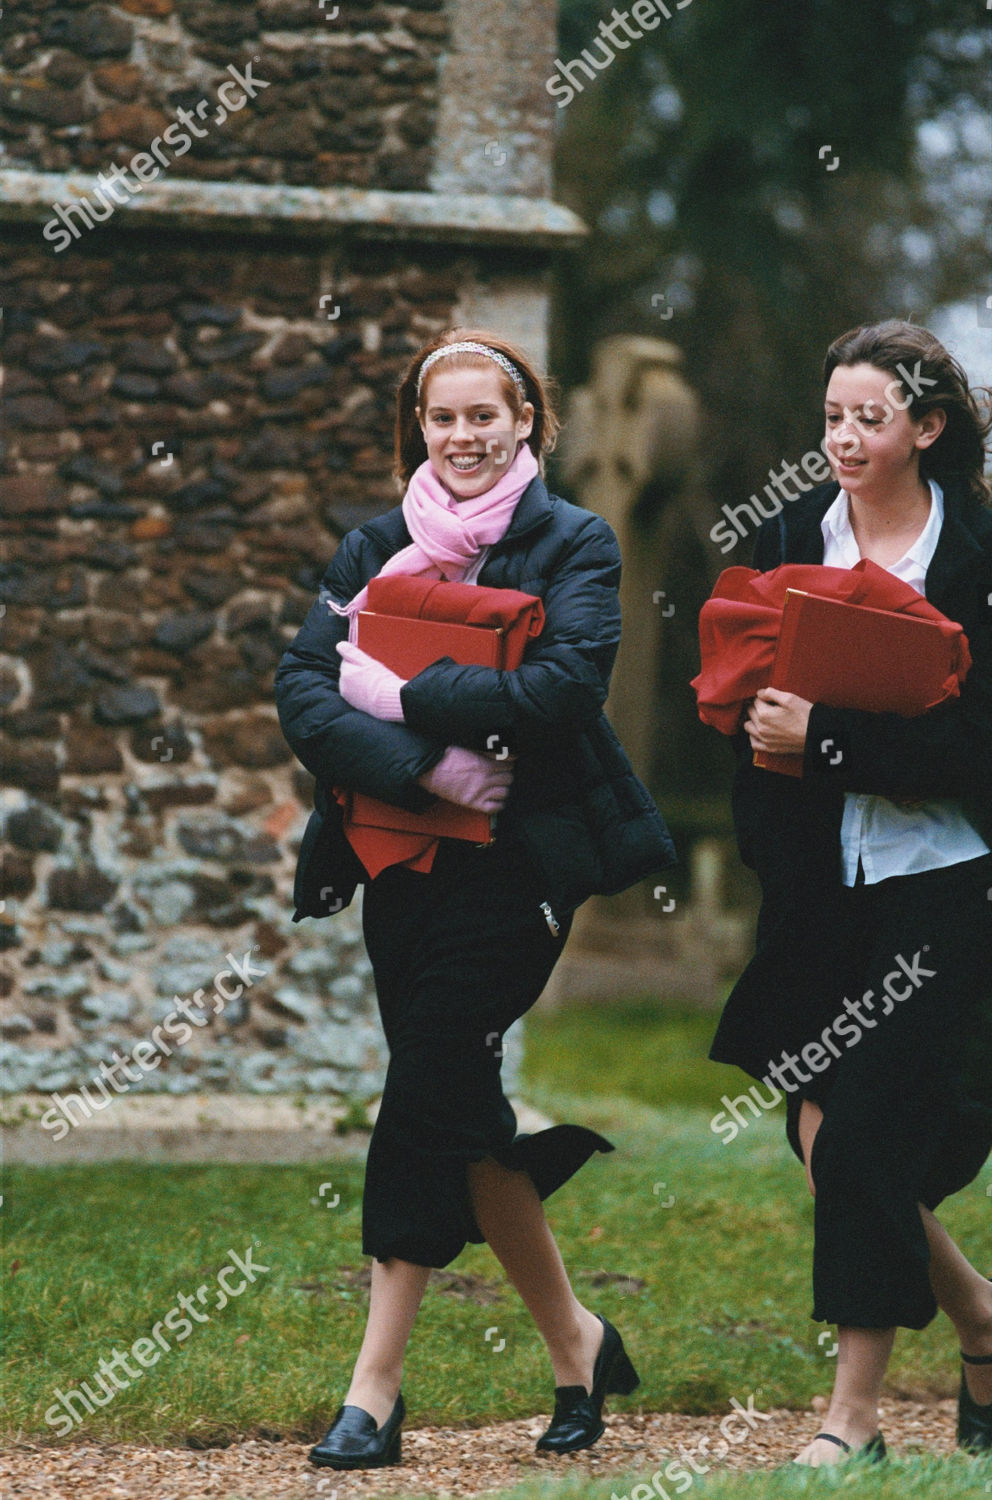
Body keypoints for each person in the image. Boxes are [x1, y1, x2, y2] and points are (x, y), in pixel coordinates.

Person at [275, 329, 675, 1469]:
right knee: (457, 1104)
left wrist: (398, 692)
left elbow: (562, 689)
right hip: (398, 860)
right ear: (420, 428)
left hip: (519, 869)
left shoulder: (574, 542)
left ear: (525, 421)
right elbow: (303, 687)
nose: (462, 436)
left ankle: (373, 1390)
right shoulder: (374, 545)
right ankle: (580, 1344)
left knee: (421, 1085)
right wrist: (422, 767)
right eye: (442, 418)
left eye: (483, 416)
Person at [709, 320, 992, 1466]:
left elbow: (976, 744)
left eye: (865, 418)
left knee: (866, 1131)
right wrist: (763, 737)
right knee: (817, 1124)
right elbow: (740, 700)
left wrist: (830, 739)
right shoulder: (787, 536)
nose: (840, 437)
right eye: (830, 416)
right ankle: (980, 1319)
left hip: (941, 884)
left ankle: (850, 1426)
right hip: (817, 886)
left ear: (925, 428)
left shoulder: (975, 555)